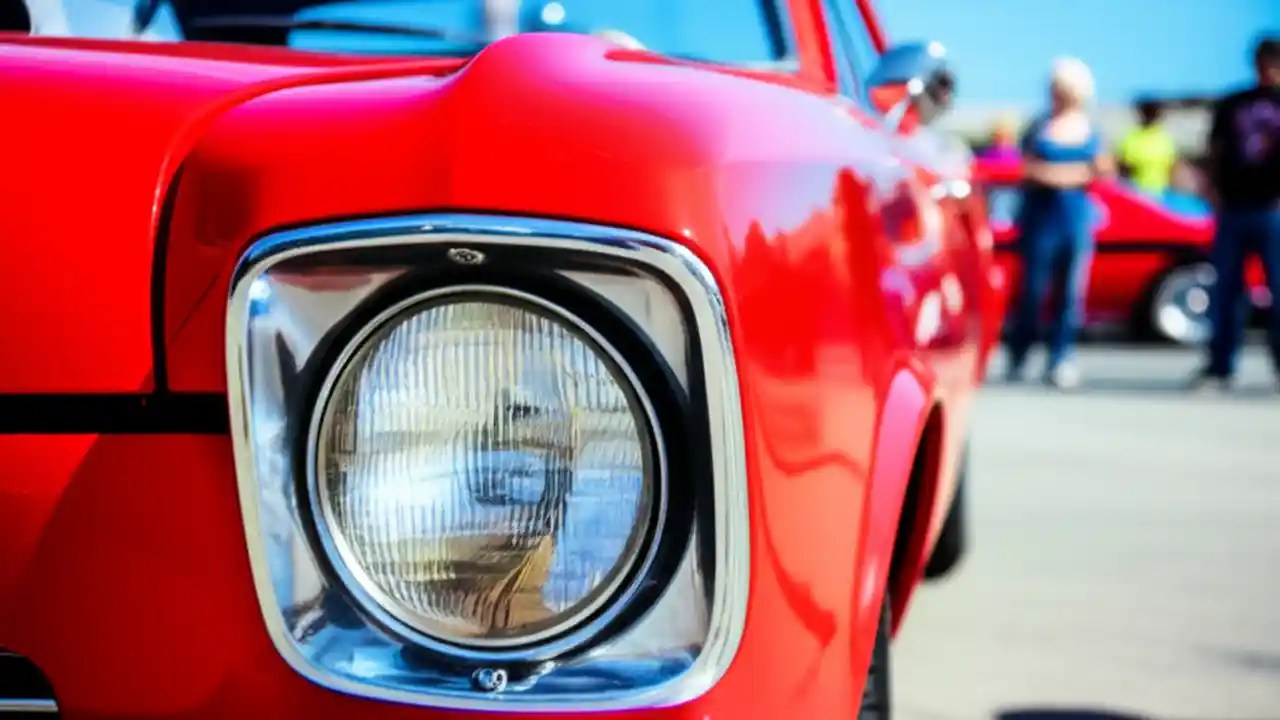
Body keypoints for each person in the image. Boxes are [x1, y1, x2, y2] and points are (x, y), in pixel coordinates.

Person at [1006, 57, 1111, 390]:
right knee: (1032, 292)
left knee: (1069, 294)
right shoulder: (1039, 126)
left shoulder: (1090, 129)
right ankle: (1020, 354)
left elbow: (1103, 170)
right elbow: (1025, 169)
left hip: (1075, 220)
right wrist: (1068, 174)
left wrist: (1062, 175)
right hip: (1040, 220)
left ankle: (1060, 356)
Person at [1191, 37, 1280, 391]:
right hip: (1233, 209)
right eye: (1263, 63)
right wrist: (1212, 190)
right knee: (1226, 289)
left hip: (1273, 210)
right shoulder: (1234, 103)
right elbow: (1214, 149)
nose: (1267, 70)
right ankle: (1221, 365)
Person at [1117, 98, 1179, 195]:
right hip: (1136, 195)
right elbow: (1123, 168)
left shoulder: (1164, 138)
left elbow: (1171, 169)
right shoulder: (1131, 138)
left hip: (1159, 194)